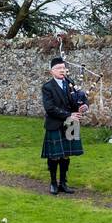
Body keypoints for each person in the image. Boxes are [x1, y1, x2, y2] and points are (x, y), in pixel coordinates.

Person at [40, 58, 87, 195]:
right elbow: (50, 108)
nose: (62, 70)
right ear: (51, 71)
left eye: (63, 68)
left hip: (71, 124)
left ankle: (63, 183)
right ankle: (53, 183)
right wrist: (68, 115)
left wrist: (82, 106)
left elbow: (78, 100)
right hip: (55, 124)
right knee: (55, 156)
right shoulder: (47, 87)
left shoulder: (70, 83)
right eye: (58, 68)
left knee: (66, 155)